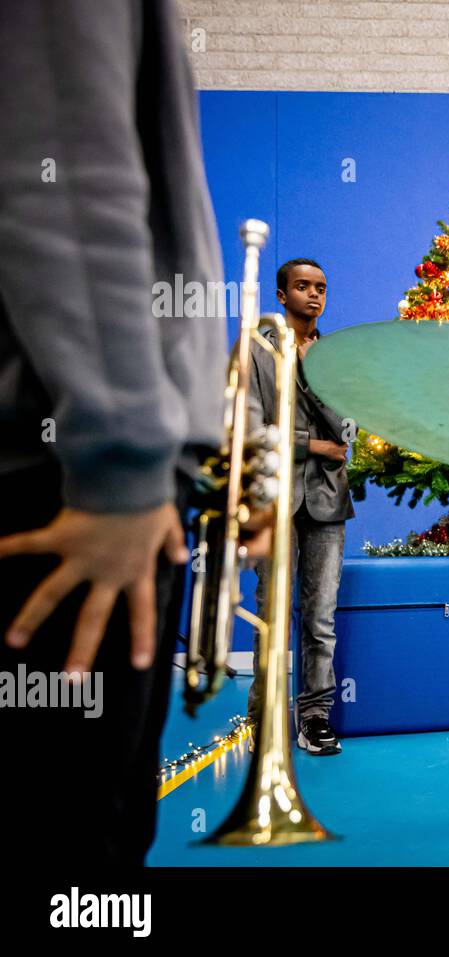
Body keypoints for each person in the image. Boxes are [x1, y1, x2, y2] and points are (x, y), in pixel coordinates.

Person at [0, 0, 228, 866]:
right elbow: (66, 166)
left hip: (77, 462)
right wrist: (129, 458)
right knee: (80, 845)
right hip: (67, 479)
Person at [245, 259, 355, 756]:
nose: (314, 296)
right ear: (282, 292)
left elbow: (350, 430)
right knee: (273, 612)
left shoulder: (336, 355)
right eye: (303, 287)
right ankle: (263, 714)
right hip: (275, 498)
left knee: (321, 617)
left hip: (328, 501)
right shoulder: (256, 349)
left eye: (321, 289)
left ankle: (314, 717)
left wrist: (315, 371)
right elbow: (253, 431)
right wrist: (315, 446)